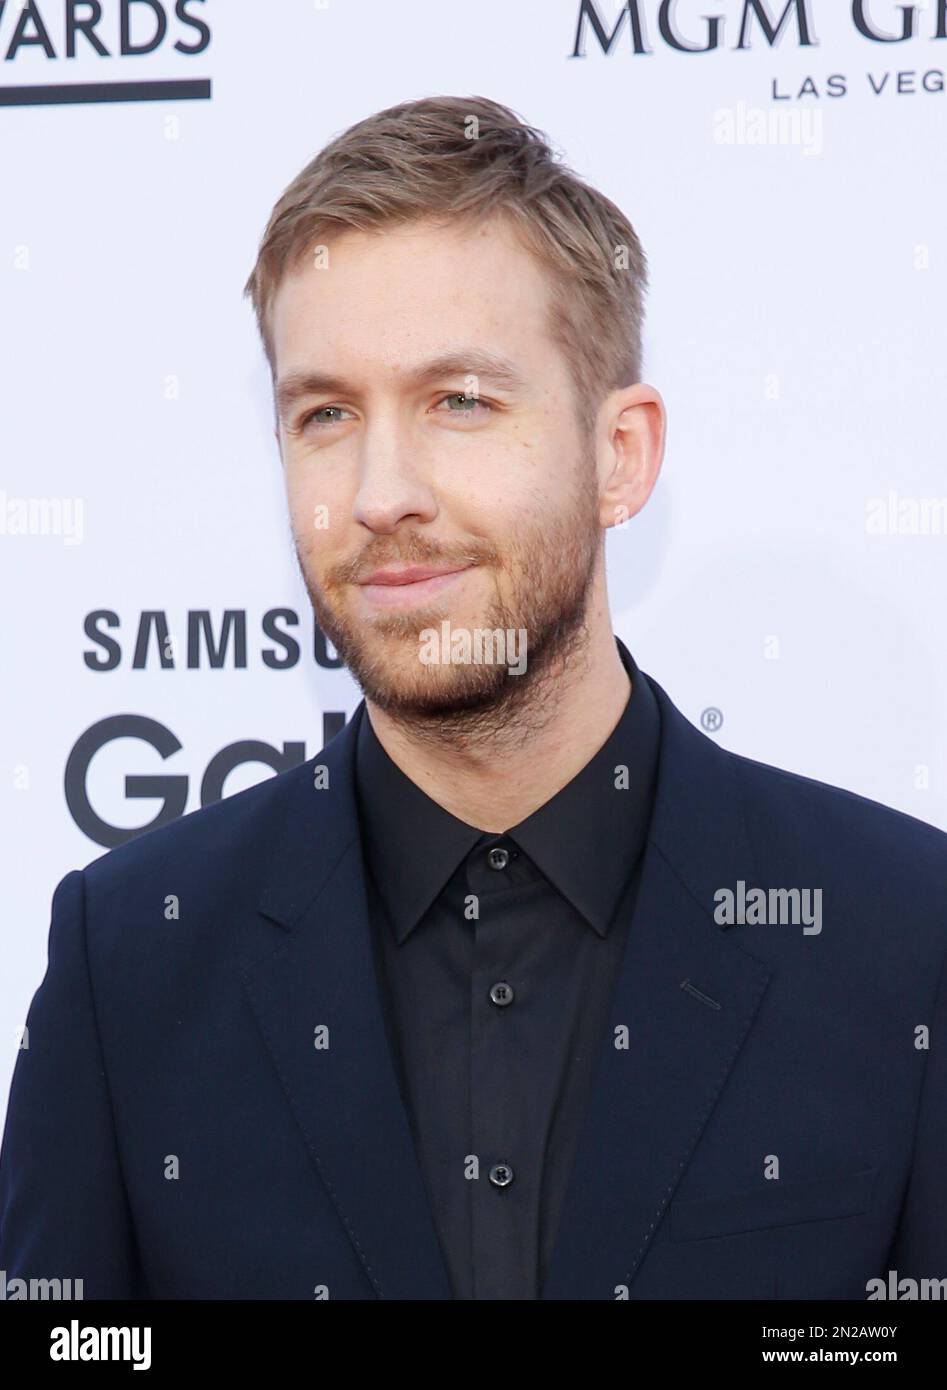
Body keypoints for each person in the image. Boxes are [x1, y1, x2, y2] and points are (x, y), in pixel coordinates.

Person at [1, 95, 945, 1301]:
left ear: (620, 456)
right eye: (325, 413)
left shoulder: (898, 936)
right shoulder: (133, 959)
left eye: (459, 400)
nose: (380, 490)